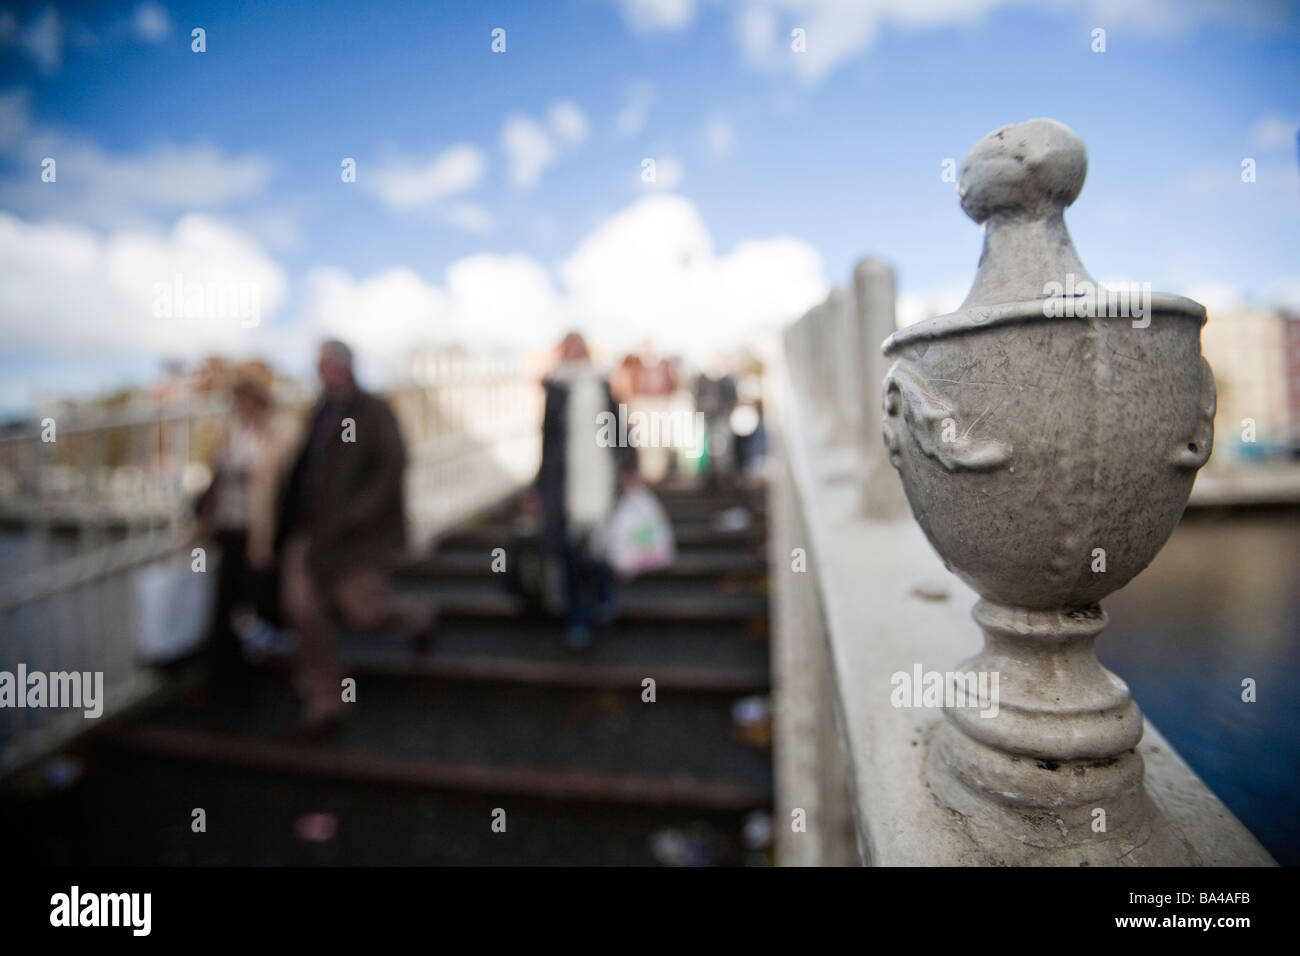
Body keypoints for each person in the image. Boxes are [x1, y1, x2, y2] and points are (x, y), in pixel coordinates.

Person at [274, 340, 435, 735]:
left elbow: (392, 464)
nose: (319, 372)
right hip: (309, 535)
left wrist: (358, 515)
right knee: (302, 611)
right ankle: (326, 700)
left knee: (365, 612)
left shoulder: (372, 409)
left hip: (354, 541)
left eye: (325, 365)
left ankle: (417, 617)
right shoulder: (318, 413)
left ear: (343, 366)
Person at [527, 332, 637, 649]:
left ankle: (603, 599)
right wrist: (537, 487)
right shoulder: (555, 388)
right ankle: (577, 619)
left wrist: (627, 468)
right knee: (571, 551)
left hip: (600, 480)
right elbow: (547, 441)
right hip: (564, 484)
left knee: (599, 546)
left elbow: (617, 427)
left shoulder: (600, 384)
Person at [193, 363, 296, 694]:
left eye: (250, 400)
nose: (244, 408)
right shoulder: (232, 434)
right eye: (240, 401)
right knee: (226, 607)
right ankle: (226, 680)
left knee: (254, 604)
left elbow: (287, 485)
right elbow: (217, 482)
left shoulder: (280, 433)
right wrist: (202, 523)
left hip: (259, 533)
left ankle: (250, 680)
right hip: (229, 530)